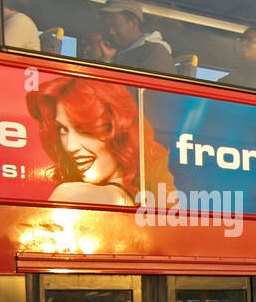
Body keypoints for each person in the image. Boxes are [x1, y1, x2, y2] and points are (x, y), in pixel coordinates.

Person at [26, 75, 173, 206]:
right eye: (63, 129)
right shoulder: (154, 202)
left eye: (83, 129)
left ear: (117, 130)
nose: (70, 147)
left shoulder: (70, 195)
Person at [98, 0, 174, 73]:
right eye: (107, 26)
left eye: (116, 25)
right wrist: (107, 60)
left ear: (134, 22)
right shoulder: (117, 51)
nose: (110, 31)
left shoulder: (154, 52)